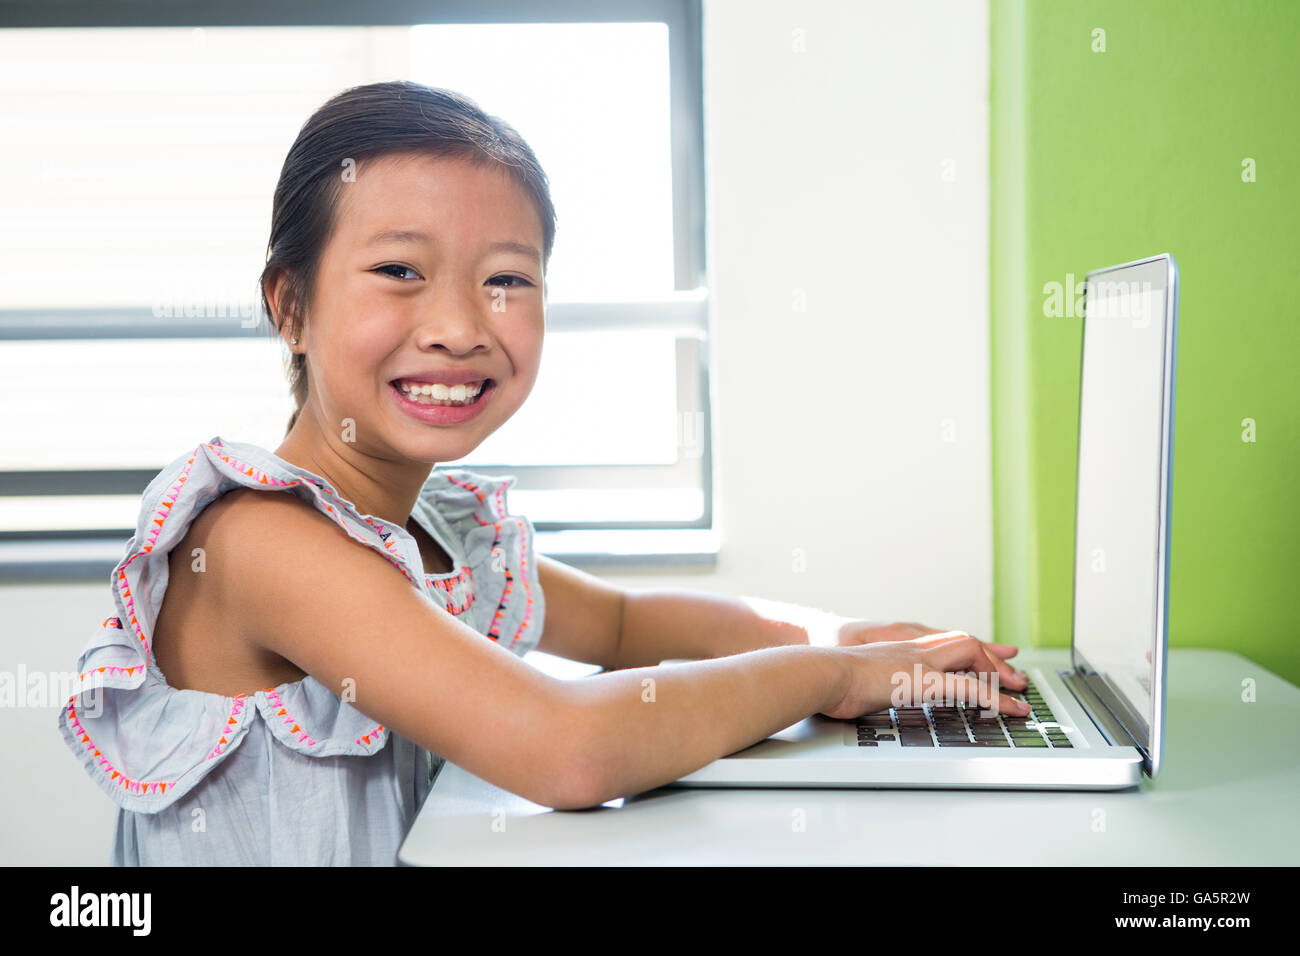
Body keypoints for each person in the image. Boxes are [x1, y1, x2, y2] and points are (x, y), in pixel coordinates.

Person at [57, 80, 1029, 866]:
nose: (461, 326)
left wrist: (836, 631)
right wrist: (828, 675)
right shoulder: (257, 540)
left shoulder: (433, 529)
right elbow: (571, 748)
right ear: (292, 306)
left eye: (506, 279)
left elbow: (621, 625)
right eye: (400, 270)